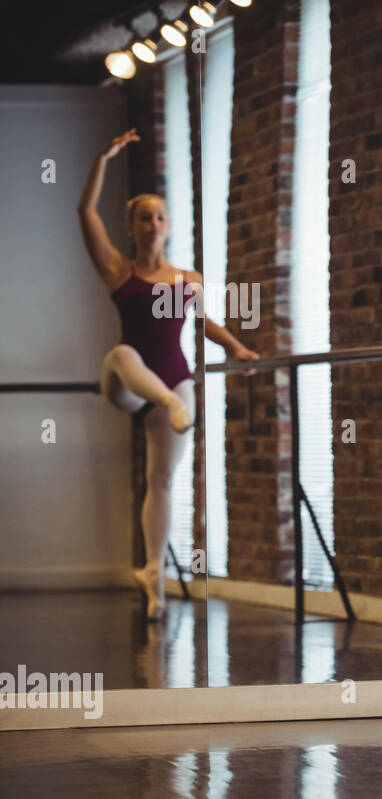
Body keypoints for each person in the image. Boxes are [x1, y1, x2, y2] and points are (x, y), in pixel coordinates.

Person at [78, 128, 260, 618]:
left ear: (168, 225)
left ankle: (153, 574)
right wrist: (103, 157)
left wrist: (238, 347)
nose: (153, 223)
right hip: (128, 386)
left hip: (175, 377)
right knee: (120, 353)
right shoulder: (119, 269)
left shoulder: (188, 279)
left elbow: (205, 324)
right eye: (144, 217)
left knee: (161, 481)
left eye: (160, 216)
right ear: (132, 226)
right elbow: (85, 213)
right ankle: (170, 400)